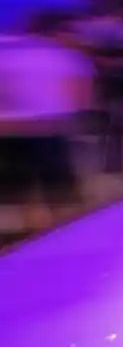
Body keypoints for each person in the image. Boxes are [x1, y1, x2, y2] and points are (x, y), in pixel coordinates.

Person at [0, 13, 94, 233]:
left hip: (10, 130)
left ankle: (33, 232)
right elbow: (79, 95)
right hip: (49, 128)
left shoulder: (7, 56)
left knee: (23, 189)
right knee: (58, 189)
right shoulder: (68, 57)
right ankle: (62, 233)